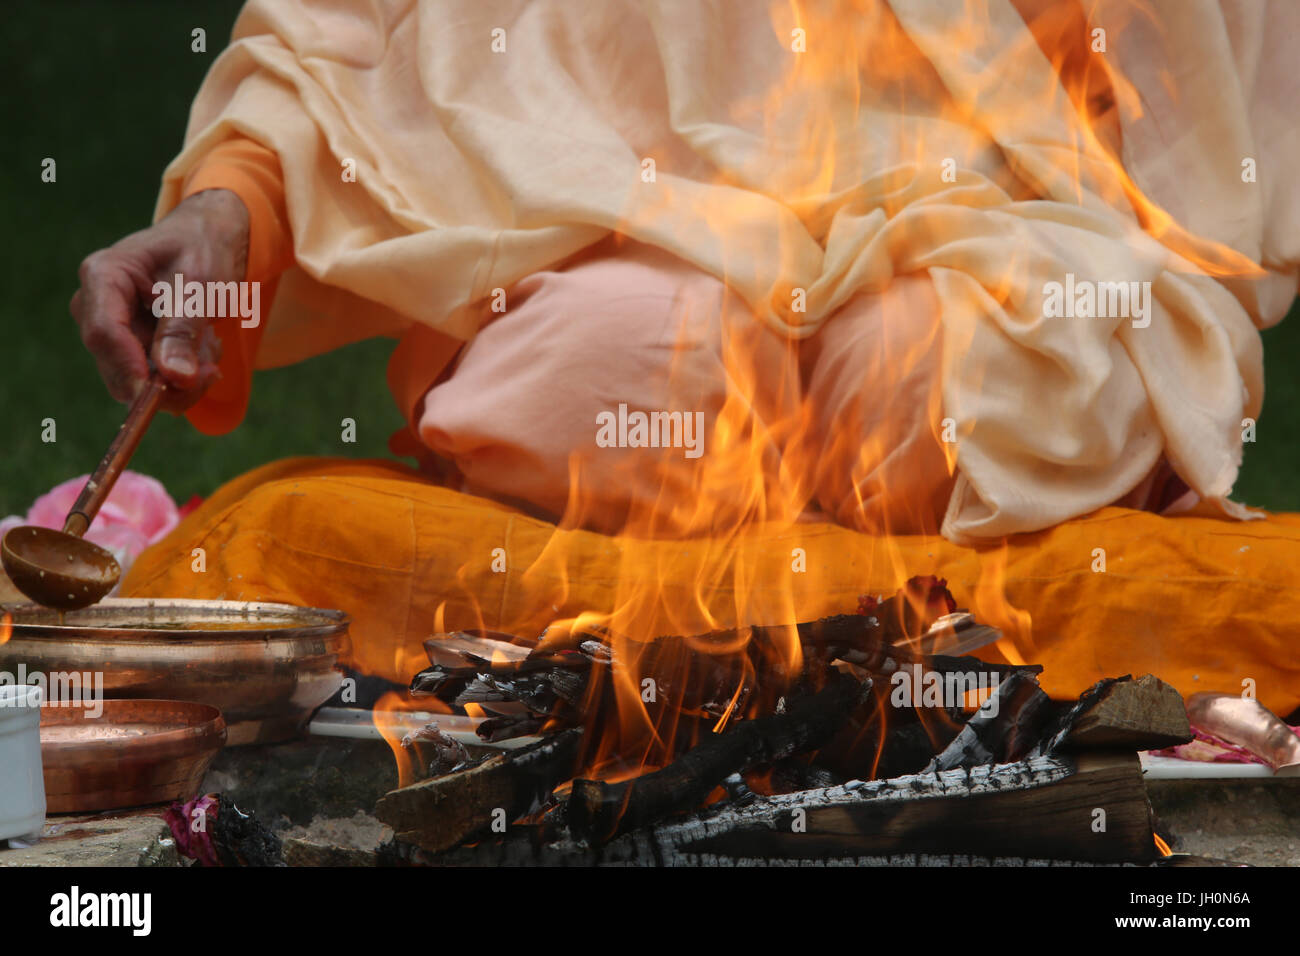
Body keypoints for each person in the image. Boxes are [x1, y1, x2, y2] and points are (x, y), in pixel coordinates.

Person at [66, 1, 1300, 708]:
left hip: (999, 228)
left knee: (945, 386)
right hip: (630, 215)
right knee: (618, 368)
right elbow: (357, 34)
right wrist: (234, 206)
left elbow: (1189, 62)